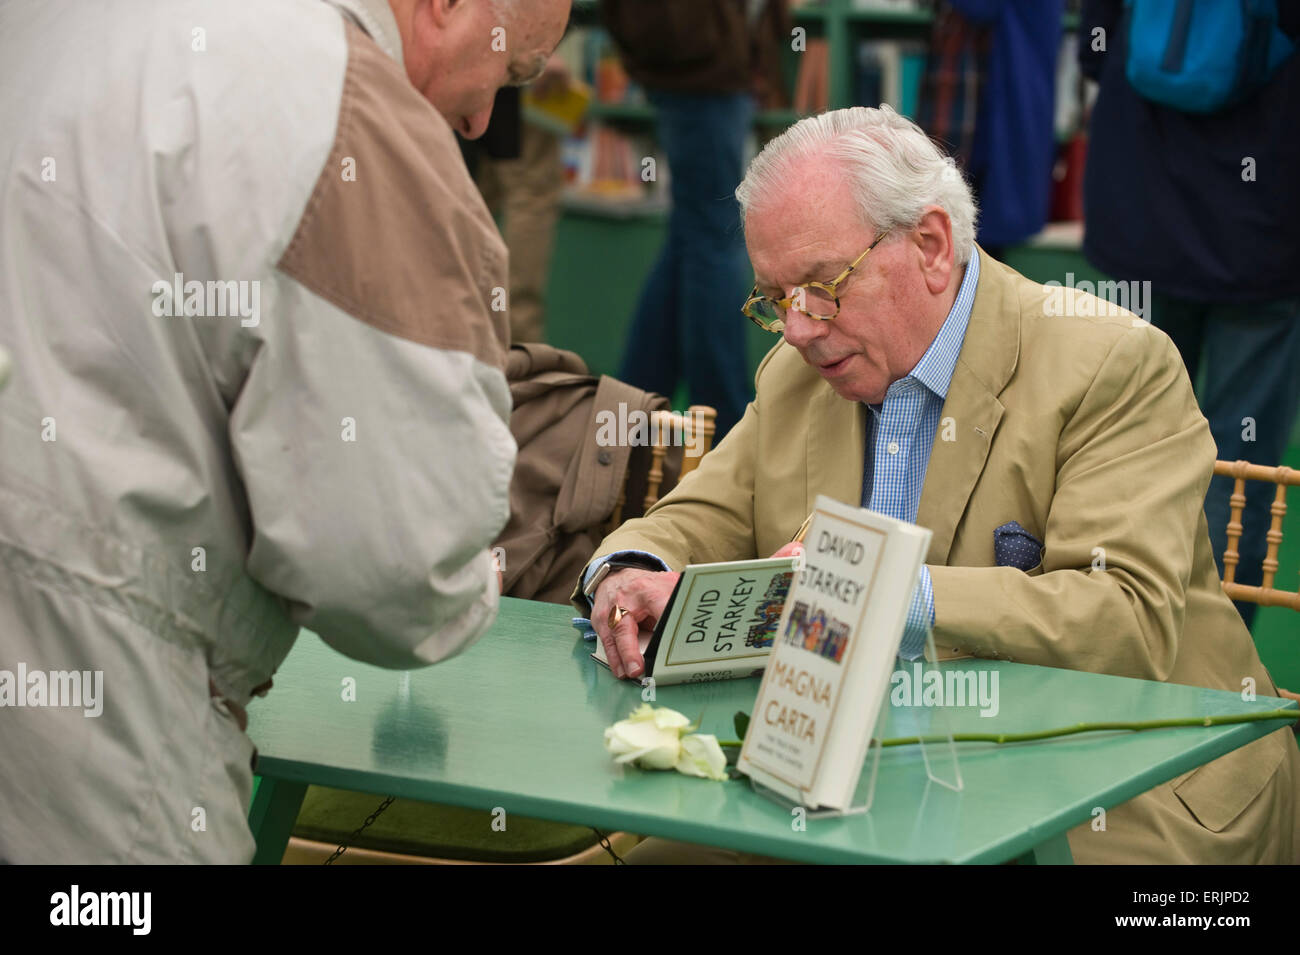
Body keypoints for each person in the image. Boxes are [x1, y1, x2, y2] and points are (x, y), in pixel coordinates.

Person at [573, 106, 1300, 864]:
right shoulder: (800, 371)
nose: (796, 327)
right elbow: (699, 515)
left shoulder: (1113, 364)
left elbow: (1125, 621)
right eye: (773, 298)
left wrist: (880, 593)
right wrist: (631, 570)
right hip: (855, 772)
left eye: (821, 287)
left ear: (930, 244)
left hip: (1117, 779)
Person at [0, 0, 568, 864]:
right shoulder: (345, 105)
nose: (485, 117)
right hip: (97, 718)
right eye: (509, 67)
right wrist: (477, 575)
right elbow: (399, 567)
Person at [1079, 0, 1300, 630]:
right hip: (1267, 226)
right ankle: (1220, 674)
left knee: (1125, 445)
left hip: (1141, 205)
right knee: (1243, 464)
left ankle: (1121, 647)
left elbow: (1095, 52)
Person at [600, 0, 791, 439]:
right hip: (703, 62)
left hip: (693, 62)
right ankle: (722, 424)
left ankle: (636, 411)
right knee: (713, 240)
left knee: (693, 238)